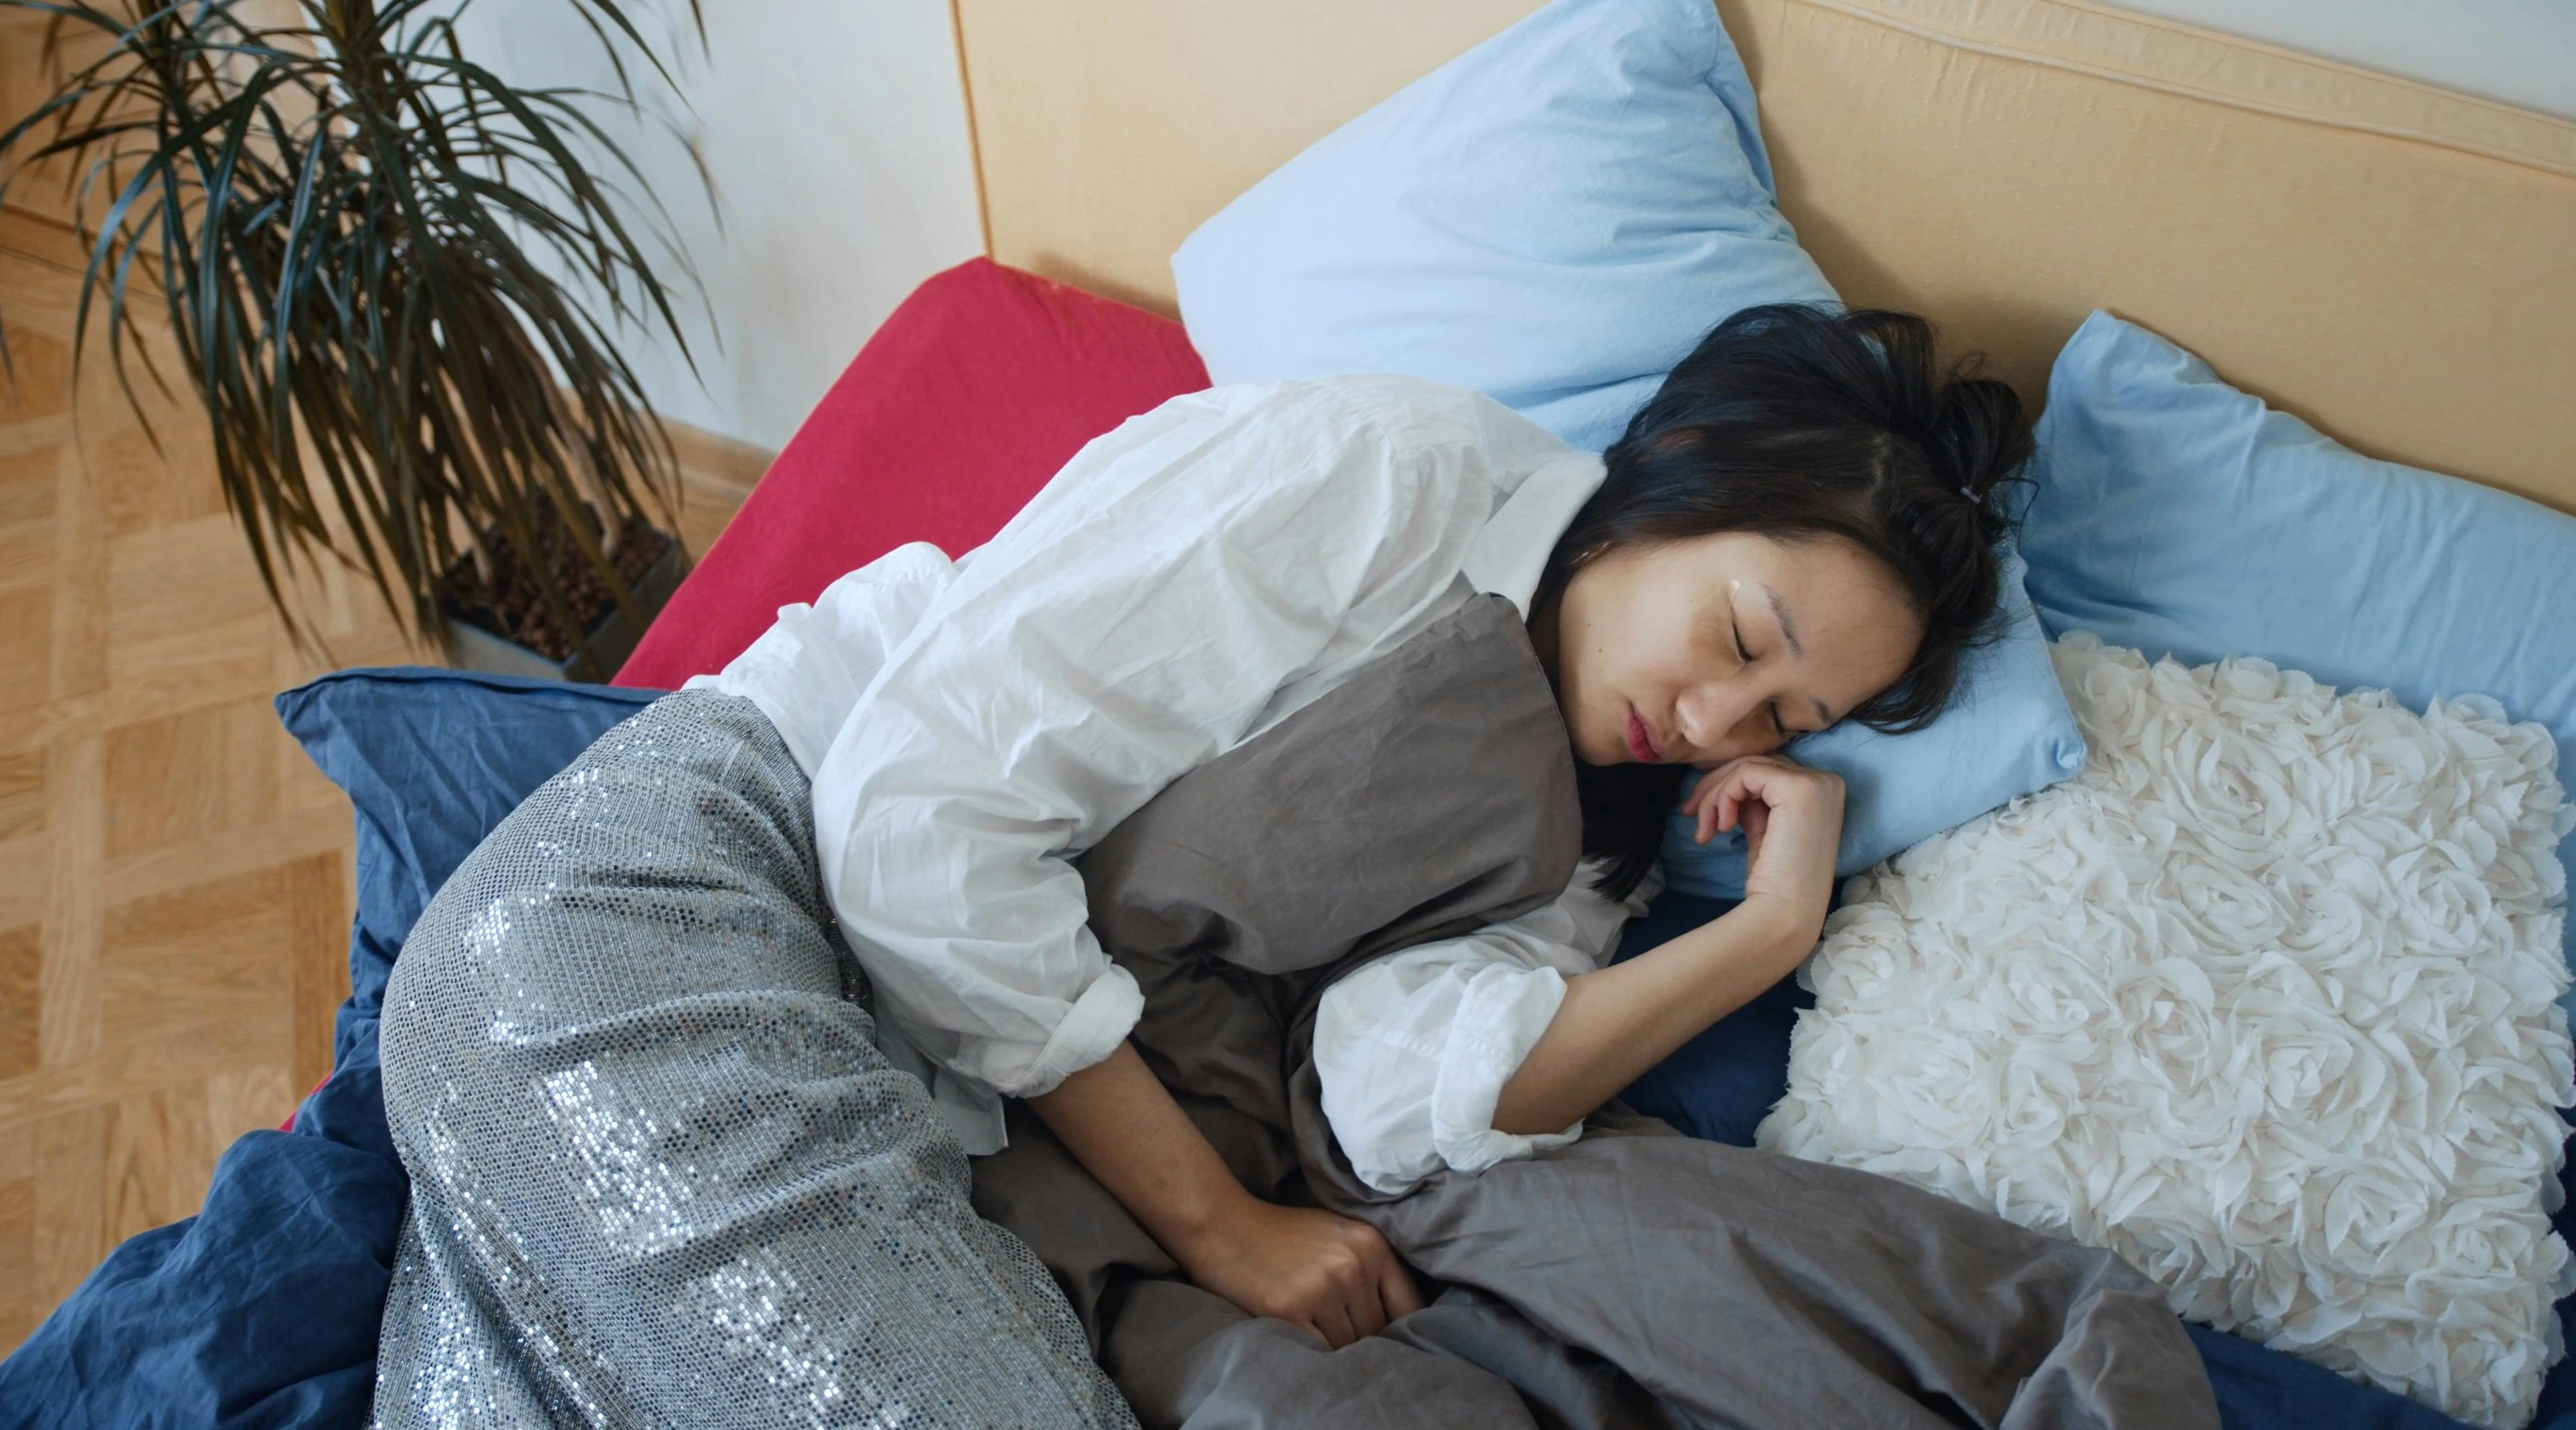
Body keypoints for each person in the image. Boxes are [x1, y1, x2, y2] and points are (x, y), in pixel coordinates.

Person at [695, 301, 2029, 1352]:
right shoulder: (1390, 480)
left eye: (1784, 718)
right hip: (775, 841)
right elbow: (918, 822)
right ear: (1677, 478)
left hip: (971, 1080)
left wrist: (1767, 930)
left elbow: (1404, 1088)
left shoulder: (1586, 805)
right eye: (1739, 637)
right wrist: (1219, 1225)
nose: (1711, 719)